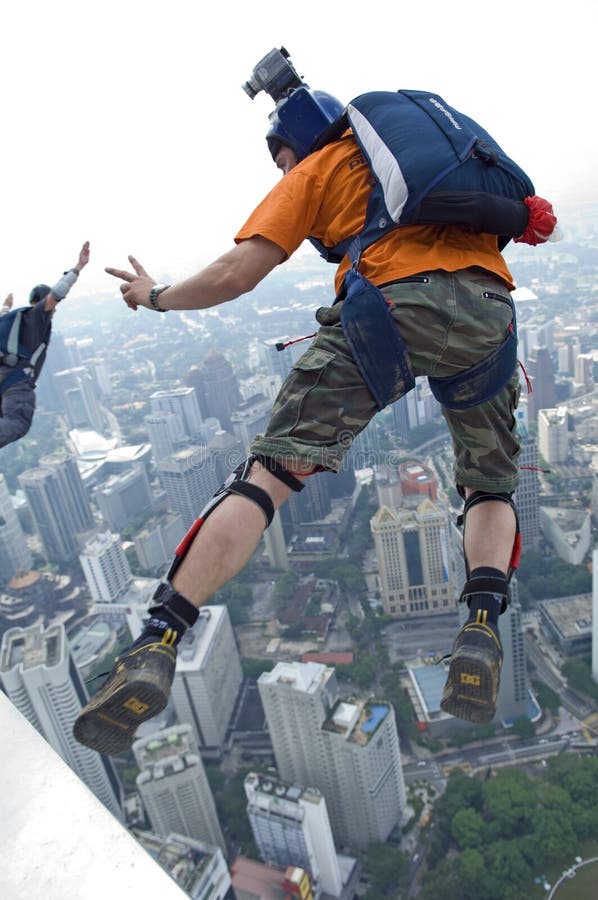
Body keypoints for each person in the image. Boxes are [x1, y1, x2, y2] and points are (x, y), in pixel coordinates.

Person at [73, 71, 553, 756]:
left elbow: (238, 274)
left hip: (389, 307)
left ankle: (158, 640)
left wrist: (156, 297)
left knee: (266, 480)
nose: (283, 170)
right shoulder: (436, 173)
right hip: (490, 313)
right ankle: (480, 625)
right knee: (490, 483)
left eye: (281, 159)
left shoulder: (321, 165)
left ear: (298, 144)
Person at [0, 242, 90, 448]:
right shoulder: (36, 317)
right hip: (16, 383)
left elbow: (2, 314)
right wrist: (78, 268)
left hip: (3, 379)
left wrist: (6, 305)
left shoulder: (12, 321)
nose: (54, 310)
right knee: (17, 423)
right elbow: (57, 293)